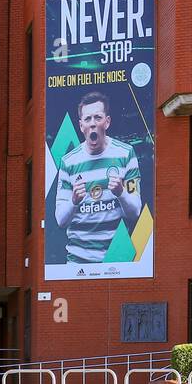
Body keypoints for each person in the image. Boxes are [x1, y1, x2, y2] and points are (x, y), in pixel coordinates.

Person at [54, 91, 143, 263]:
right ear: (81, 126)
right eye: (87, 119)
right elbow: (60, 220)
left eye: (98, 117)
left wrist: (120, 192)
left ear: (107, 122)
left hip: (117, 258)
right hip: (78, 260)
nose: (93, 124)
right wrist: (73, 201)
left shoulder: (126, 154)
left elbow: (135, 212)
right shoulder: (68, 162)